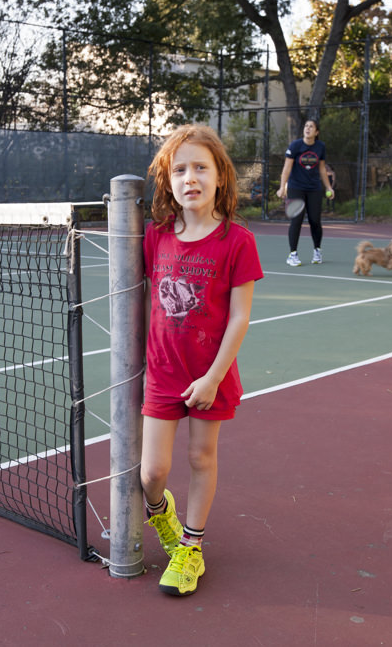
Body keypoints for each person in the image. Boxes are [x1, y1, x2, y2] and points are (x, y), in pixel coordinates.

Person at [141, 124, 264, 596]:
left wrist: (213, 378)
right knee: (152, 473)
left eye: (200, 168)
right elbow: (142, 299)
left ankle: (190, 548)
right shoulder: (155, 237)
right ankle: (162, 514)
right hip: (162, 372)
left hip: (210, 376)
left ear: (220, 177)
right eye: (179, 170)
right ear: (168, 181)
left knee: (200, 457)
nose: (189, 177)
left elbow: (239, 318)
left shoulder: (237, 241)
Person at [277, 118, 334, 266]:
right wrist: (282, 187)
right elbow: (287, 168)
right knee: (296, 220)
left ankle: (317, 251)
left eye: (311, 126)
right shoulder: (295, 146)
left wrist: (328, 187)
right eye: (306, 126)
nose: (307, 128)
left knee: (315, 220)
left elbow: (322, 168)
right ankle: (293, 254)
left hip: (314, 188)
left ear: (316, 132)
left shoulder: (320, 147)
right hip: (296, 188)